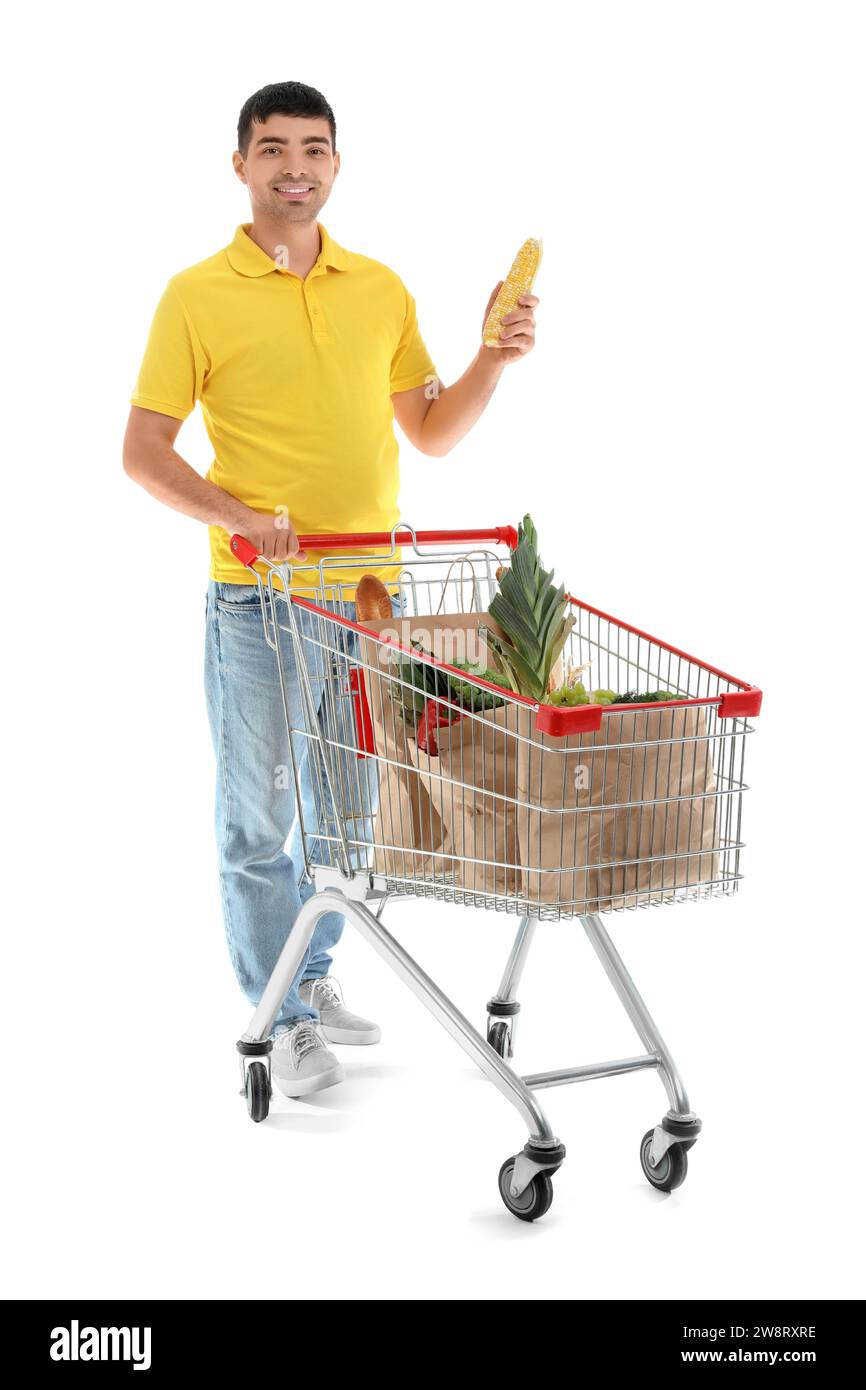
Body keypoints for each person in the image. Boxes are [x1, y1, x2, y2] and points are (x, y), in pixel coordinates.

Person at [123, 80, 539, 1098]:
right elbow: (141, 452)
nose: (294, 168)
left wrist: (492, 353)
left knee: (348, 810)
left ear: (336, 165)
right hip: (258, 601)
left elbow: (431, 432)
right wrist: (233, 515)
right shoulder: (194, 294)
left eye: (314, 149)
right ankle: (282, 1017)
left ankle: (307, 972)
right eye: (273, 149)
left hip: (367, 600)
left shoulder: (379, 288)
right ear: (240, 166)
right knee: (255, 816)